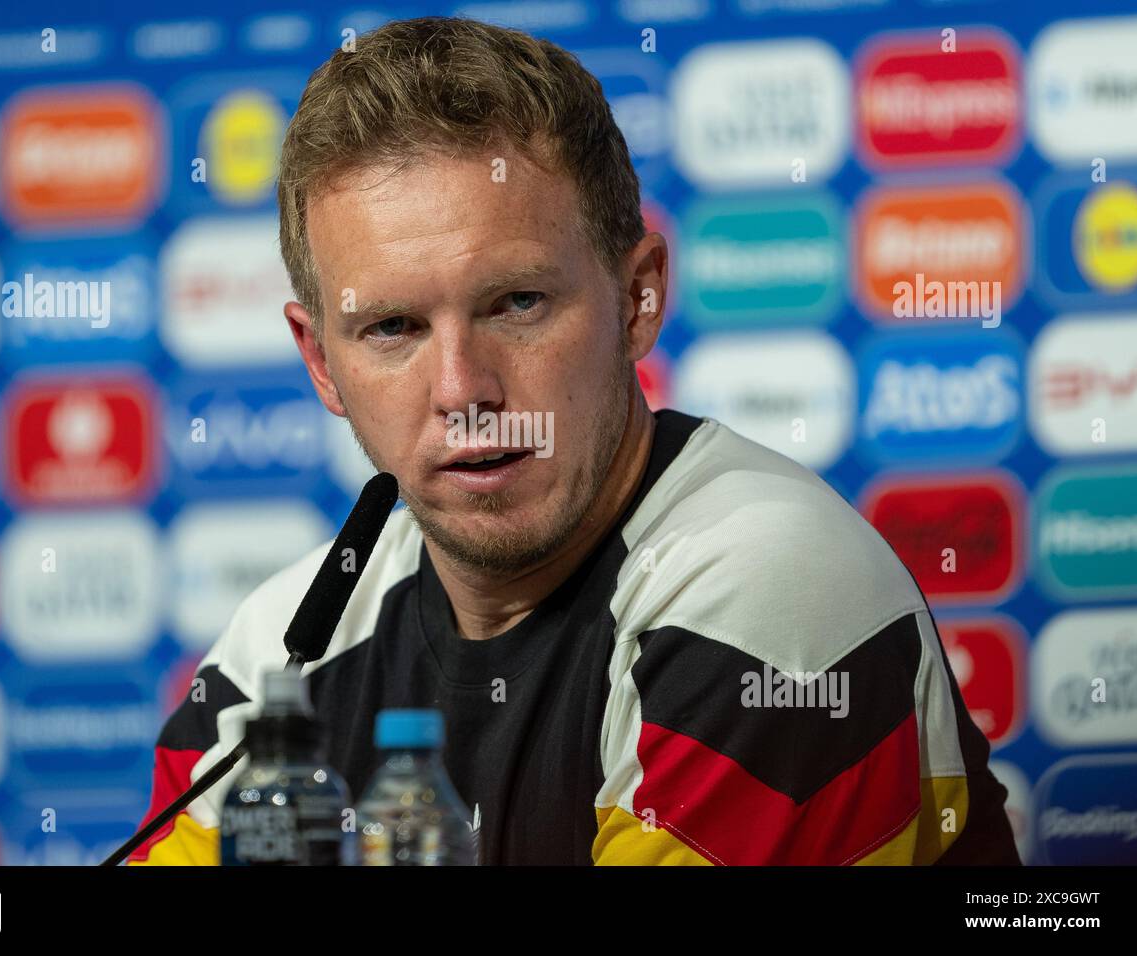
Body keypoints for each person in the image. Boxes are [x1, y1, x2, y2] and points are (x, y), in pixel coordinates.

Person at [129, 15, 1021, 866]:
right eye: (394, 326)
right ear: (321, 364)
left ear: (639, 298)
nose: (461, 391)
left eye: (518, 304)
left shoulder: (771, 587)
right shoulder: (274, 659)